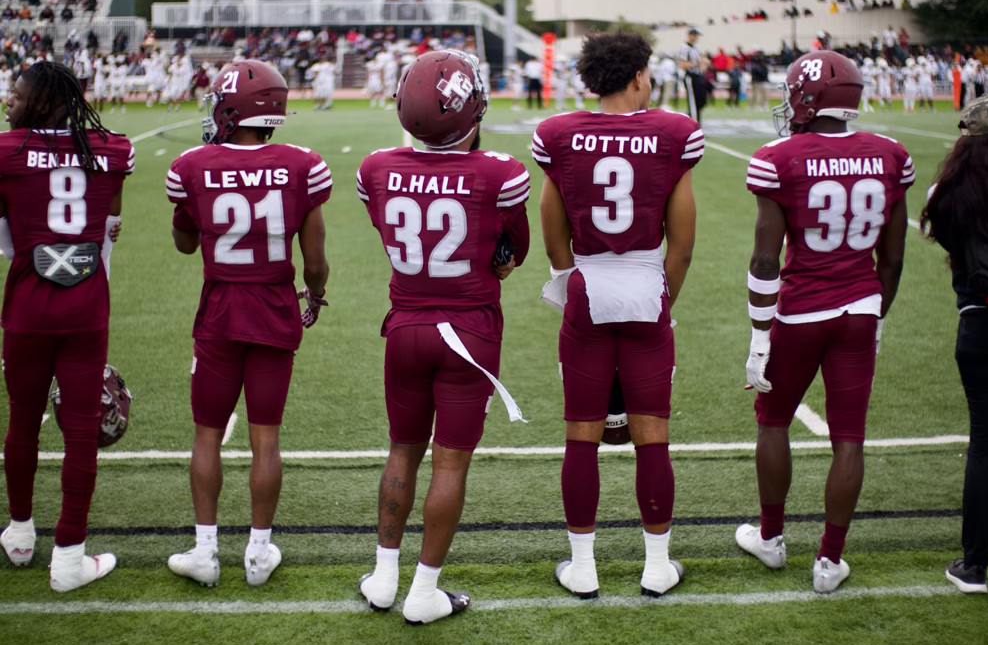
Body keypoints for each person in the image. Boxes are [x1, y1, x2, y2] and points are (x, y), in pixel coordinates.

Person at [355, 50, 530, 625]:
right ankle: (424, 591)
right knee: (449, 464)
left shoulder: (376, 168)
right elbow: (513, 254)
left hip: (405, 326)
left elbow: (387, 227)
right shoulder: (501, 173)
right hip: (469, 331)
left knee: (402, 449)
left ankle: (383, 577)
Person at [736, 50, 913, 593]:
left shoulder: (780, 157)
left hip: (801, 309)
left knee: (773, 421)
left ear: (808, 99)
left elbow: (766, 259)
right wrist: (876, 312)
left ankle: (771, 538)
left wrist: (759, 332)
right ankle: (830, 562)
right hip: (859, 304)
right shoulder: (890, 154)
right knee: (849, 439)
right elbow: (895, 255)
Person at [533, 31, 700, 599]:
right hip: (647, 287)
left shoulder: (559, 133)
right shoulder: (673, 132)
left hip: (588, 285)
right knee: (652, 436)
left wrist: (573, 274)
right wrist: (662, 297)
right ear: (635, 77)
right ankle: (656, 565)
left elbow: (551, 220)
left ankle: (584, 568)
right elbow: (682, 242)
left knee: (582, 437)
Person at [164, 60, 331, 589]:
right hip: (276, 311)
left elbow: (186, 243)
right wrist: (318, 293)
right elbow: (316, 260)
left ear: (230, 108)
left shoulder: (192, 165)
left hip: (219, 313)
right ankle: (258, 555)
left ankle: (206, 551)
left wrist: (191, 211)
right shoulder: (302, 164)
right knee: (266, 439)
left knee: (207, 435)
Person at [0, 61, 134, 591]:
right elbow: (109, 229)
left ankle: (19, 533)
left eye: (18, 94)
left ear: (43, 101)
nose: (10, 101)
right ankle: (69, 558)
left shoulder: (7, 152)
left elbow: (8, 244)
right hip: (85, 305)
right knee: (81, 432)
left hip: (28, 304)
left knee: (23, 421)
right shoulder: (114, 149)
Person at [920, 95, 988, 594]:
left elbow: (947, 241)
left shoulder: (948, 192)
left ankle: (974, 565)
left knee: (987, 447)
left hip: (982, 325)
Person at [678, 28, 707, 122]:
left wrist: (704, 65)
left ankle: (692, 121)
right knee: (693, 103)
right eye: (695, 35)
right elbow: (682, 65)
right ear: (690, 35)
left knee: (701, 101)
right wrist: (697, 64)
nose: (697, 37)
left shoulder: (696, 48)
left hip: (698, 76)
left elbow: (701, 64)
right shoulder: (685, 48)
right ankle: (694, 125)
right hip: (690, 77)